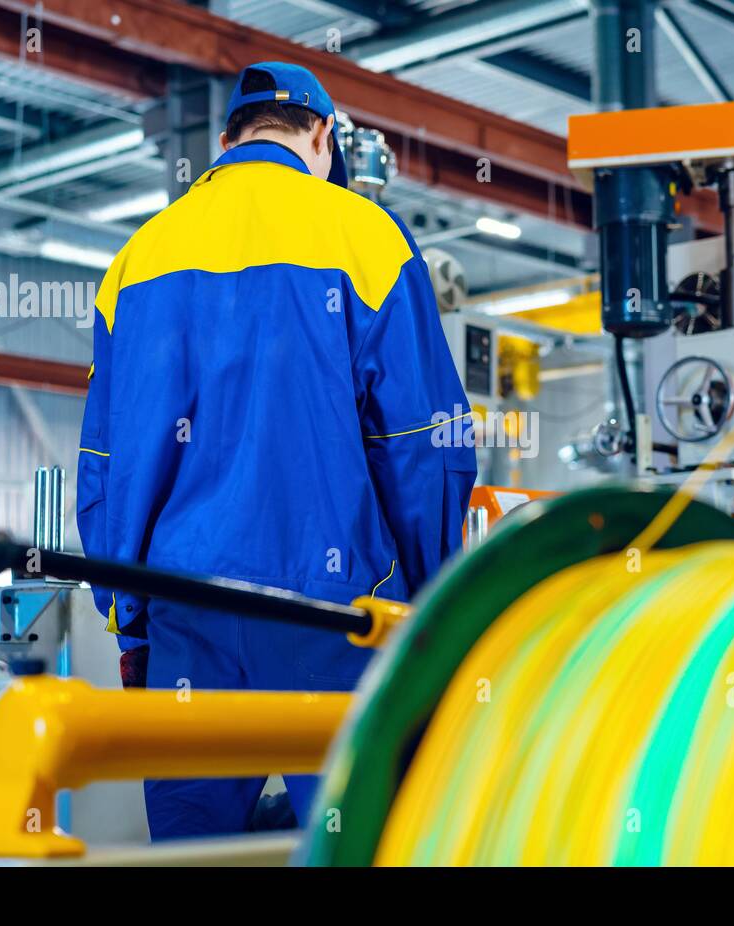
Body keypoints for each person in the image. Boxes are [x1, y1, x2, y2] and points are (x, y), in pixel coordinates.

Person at [76, 62, 476, 839]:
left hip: (185, 615)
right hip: (338, 616)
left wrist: (130, 620)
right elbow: (423, 445)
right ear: (322, 136)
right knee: (359, 844)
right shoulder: (365, 236)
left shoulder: (139, 258)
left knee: (194, 859)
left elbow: (106, 466)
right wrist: (432, 605)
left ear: (226, 141)